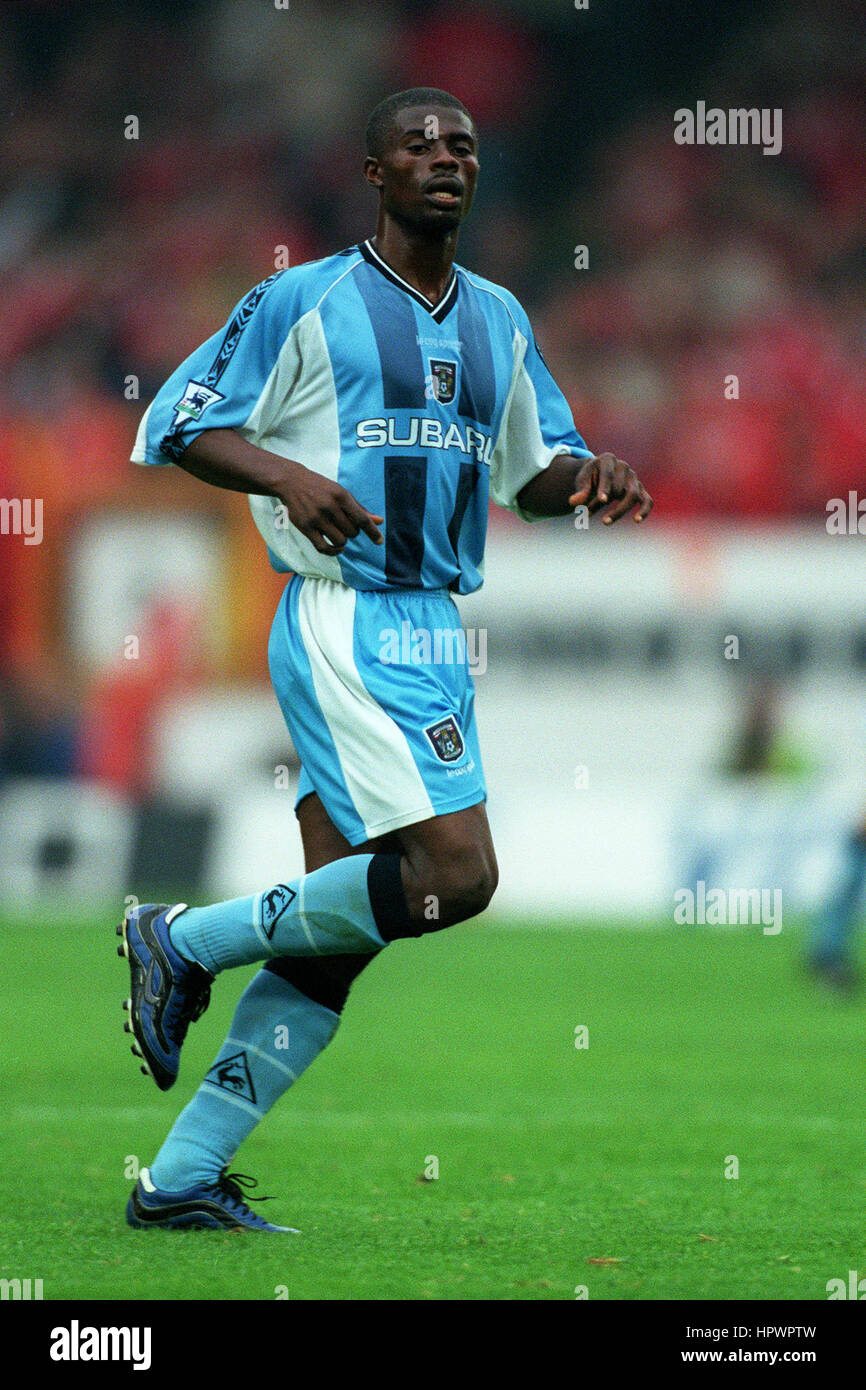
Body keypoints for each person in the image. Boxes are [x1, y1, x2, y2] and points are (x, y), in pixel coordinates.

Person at [120, 87, 653, 1232]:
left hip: (430, 628)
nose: (442, 157)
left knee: (343, 931)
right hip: (346, 617)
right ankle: (179, 937)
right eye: (415, 144)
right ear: (373, 173)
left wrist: (591, 476)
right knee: (456, 877)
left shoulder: (499, 317)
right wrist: (290, 477)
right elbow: (176, 421)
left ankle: (176, 1180)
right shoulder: (301, 298)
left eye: (460, 143)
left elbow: (530, 475)